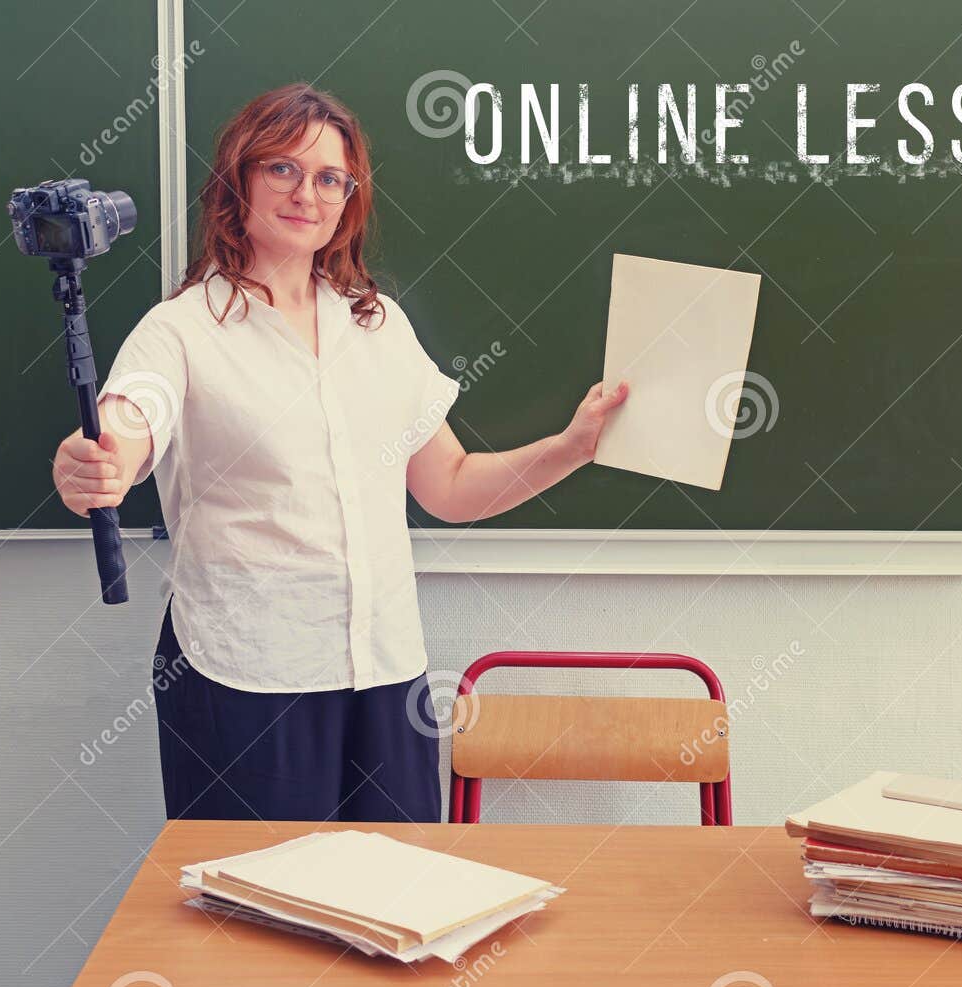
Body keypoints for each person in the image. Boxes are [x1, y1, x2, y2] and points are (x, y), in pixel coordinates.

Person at [50, 84, 628, 823]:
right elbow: (129, 421)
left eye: (330, 178)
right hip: (246, 675)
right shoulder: (181, 330)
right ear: (239, 179)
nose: (307, 194)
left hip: (385, 670)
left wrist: (571, 448)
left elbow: (451, 486)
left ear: (349, 199)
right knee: (253, 890)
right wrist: (97, 461)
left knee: (394, 884)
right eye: (282, 169)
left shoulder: (377, 325)